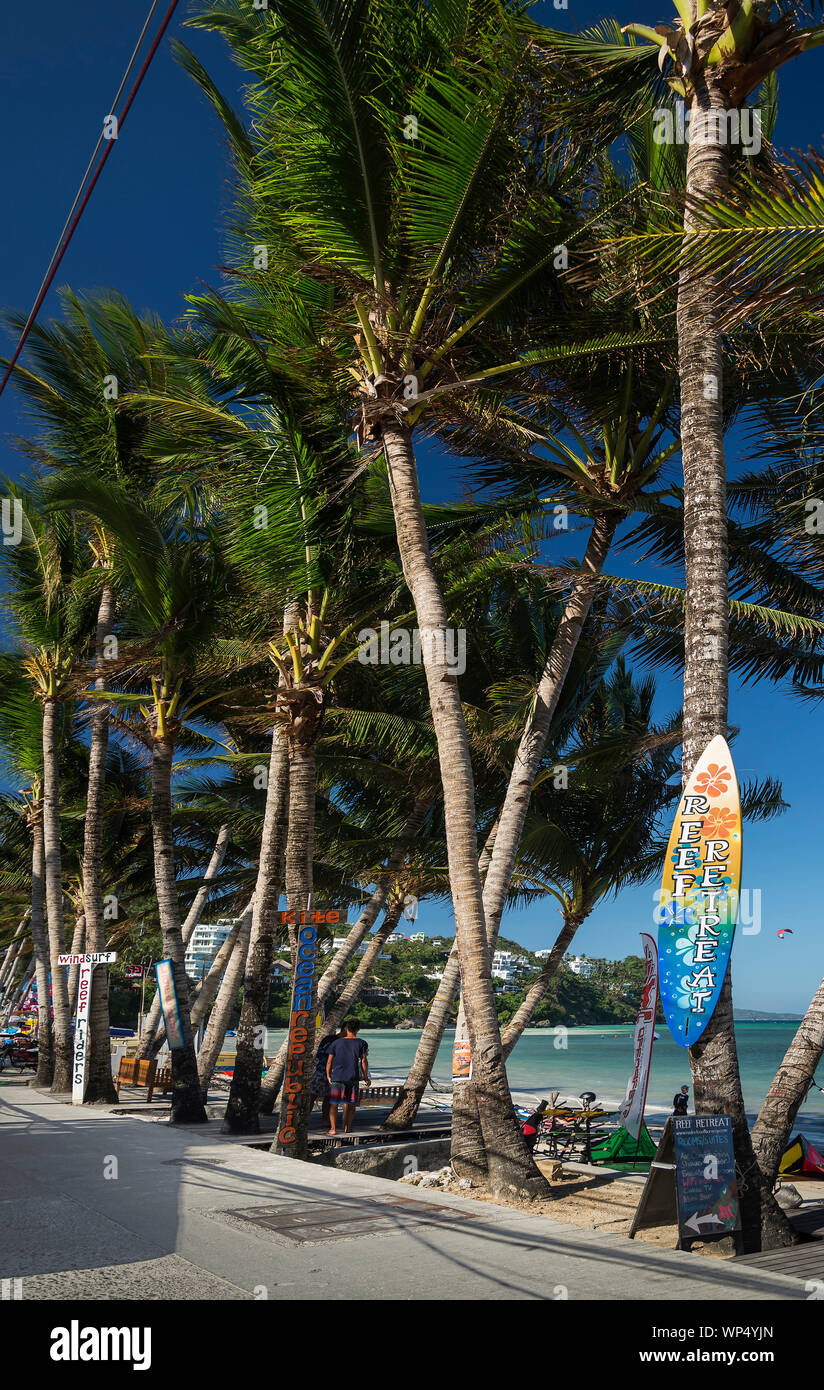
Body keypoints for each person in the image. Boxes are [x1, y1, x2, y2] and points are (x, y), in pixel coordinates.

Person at [325, 1017, 370, 1135]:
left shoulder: (336, 1042)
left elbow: (329, 1061)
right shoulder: (362, 1043)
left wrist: (328, 1075)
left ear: (346, 1028)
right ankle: (348, 1127)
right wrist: (366, 1077)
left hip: (337, 1077)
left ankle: (333, 1129)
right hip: (352, 1077)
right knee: (351, 1104)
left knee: (334, 1104)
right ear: (358, 1029)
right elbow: (364, 1061)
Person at [310, 1029, 340, 1129]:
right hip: (326, 1072)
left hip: (321, 1071)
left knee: (315, 1096)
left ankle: (322, 1119)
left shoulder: (326, 1041)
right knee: (323, 1097)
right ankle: (324, 1119)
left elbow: (318, 1055)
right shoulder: (333, 1042)